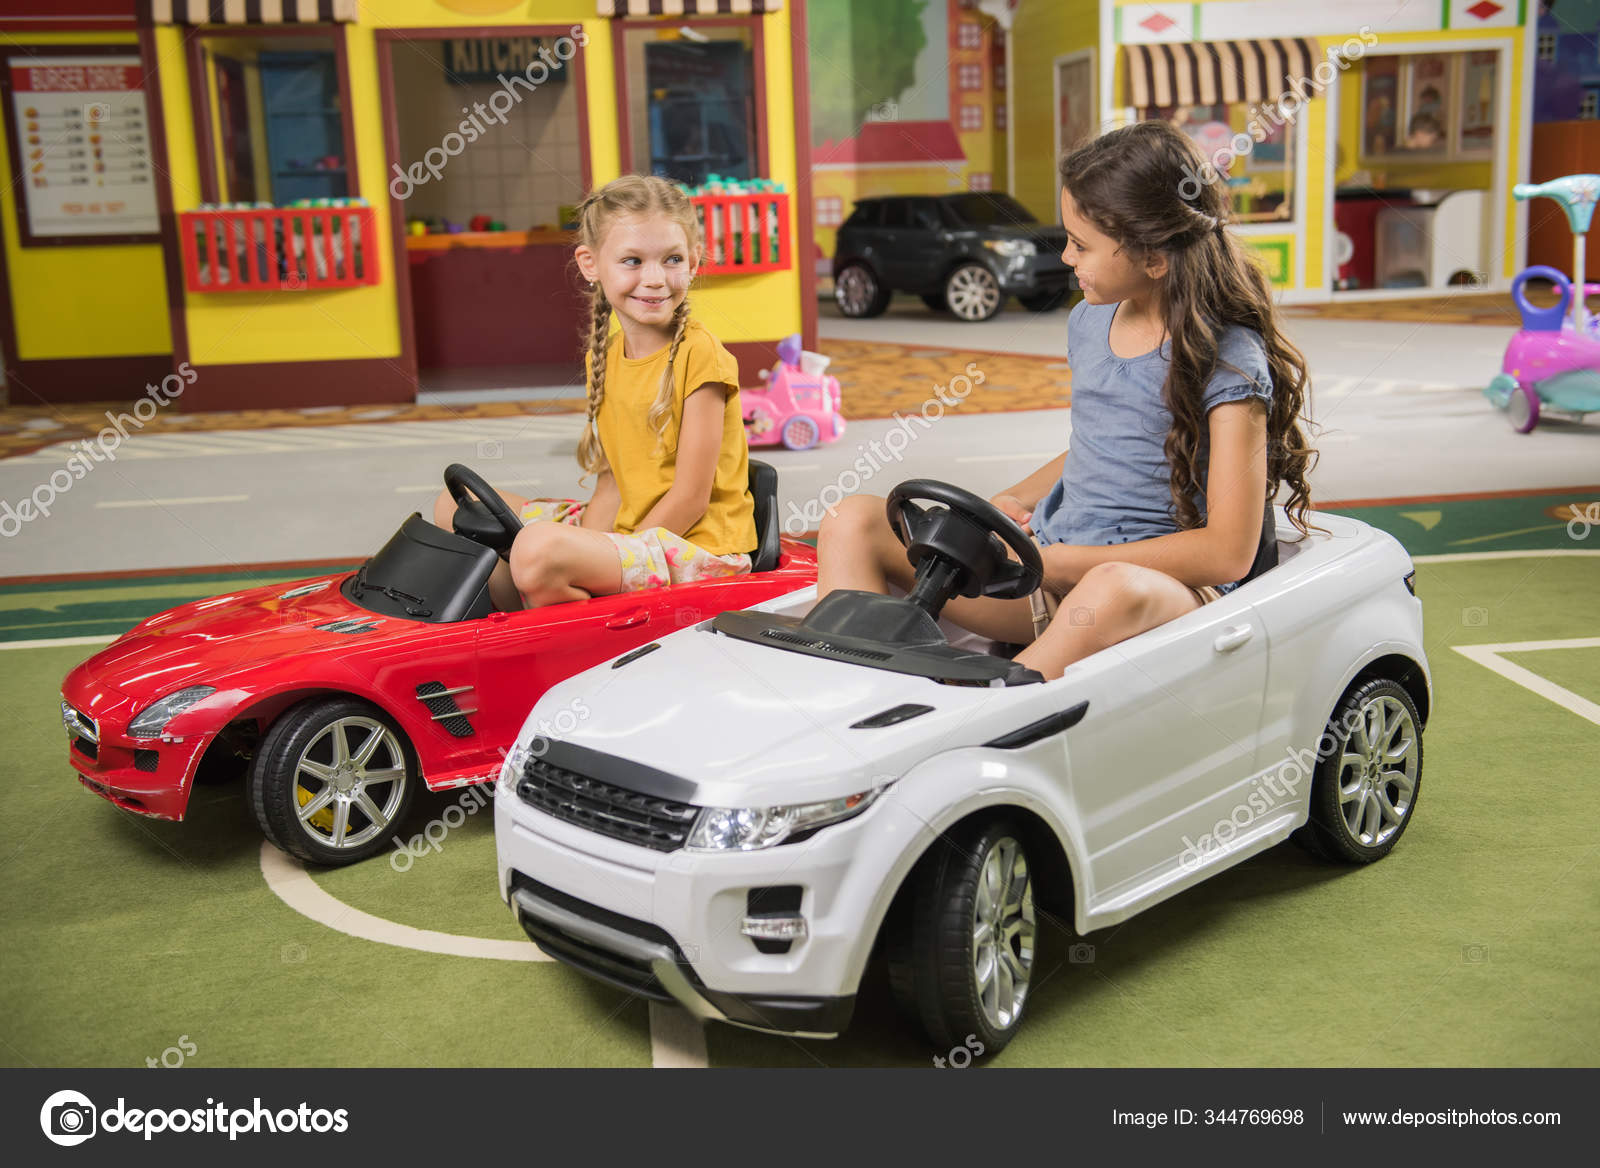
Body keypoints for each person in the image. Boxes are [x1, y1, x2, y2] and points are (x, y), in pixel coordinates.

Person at [817, 120, 1316, 680]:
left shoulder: (1229, 358)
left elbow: (1228, 553)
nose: (1066, 258)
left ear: (1153, 256)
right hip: (1052, 576)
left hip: (1158, 593)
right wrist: (1011, 499)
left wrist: (1063, 563)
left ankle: (977, 709)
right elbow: (1100, 448)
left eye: (1081, 245)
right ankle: (851, 684)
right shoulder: (1089, 320)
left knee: (1111, 585)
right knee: (851, 518)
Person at [433, 174, 755, 610]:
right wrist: (596, 541)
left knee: (537, 549)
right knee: (455, 505)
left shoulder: (701, 356)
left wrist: (613, 550)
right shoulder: (605, 354)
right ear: (590, 264)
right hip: (631, 534)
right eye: (633, 261)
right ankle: (511, 614)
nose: (656, 278)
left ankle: (544, 612)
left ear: (694, 261)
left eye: (672, 259)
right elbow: (613, 482)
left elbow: (691, 498)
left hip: (696, 545)